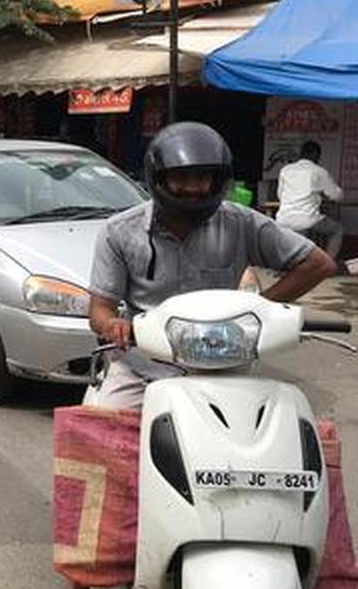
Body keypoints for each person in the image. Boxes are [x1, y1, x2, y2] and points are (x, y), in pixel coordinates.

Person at [86, 123, 337, 410]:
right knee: (100, 433)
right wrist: (113, 325)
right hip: (142, 366)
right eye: (181, 177)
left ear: (217, 180)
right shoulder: (118, 231)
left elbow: (318, 264)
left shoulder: (241, 222)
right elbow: (99, 309)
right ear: (159, 177)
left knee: (265, 434)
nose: (193, 187)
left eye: (203, 177)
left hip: (224, 365)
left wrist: (261, 306)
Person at [276, 140, 344, 259]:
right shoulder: (319, 171)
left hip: (283, 219)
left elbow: (280, 195)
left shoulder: (286, 170)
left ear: (301, 154)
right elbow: (336, 196)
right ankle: (327, 263)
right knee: (337, 230)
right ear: (316, 155)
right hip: (307, 220)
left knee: (299, 232)